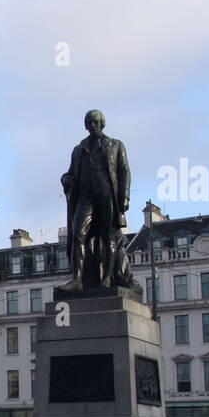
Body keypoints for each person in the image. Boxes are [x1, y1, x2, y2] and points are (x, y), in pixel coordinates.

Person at [60, 110, 136, 290]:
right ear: (85, 126)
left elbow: (124, 171)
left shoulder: (115, 145)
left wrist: (124, 196)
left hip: (107, 195)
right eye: (89, 122)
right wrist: (66, 179)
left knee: (108, 236)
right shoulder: (79, 150)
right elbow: (70, 173)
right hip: (85, 197)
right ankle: (77, 279)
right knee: (78, 234)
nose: (92, 125)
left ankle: (107, 278)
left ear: (102, 124)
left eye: (95, 122)